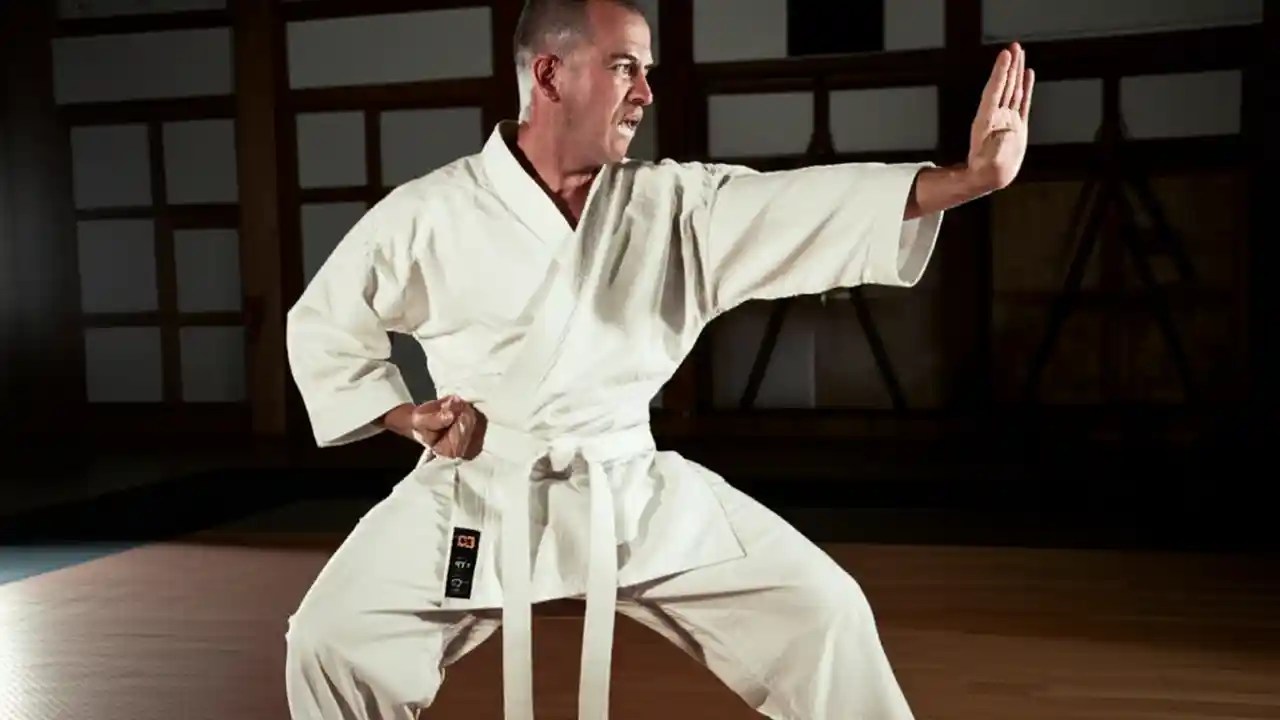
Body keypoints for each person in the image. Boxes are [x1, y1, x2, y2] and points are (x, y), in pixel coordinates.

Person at [282, 0, 1034, 718]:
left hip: (629, 493)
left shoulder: (672, 205)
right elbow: (325, 326)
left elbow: (799, 205)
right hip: (480, 498)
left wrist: (966, 182)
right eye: (624, 67)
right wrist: (411, 417)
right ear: (549, 76)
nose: (645, 91)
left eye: (645, 71)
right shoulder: (432, 213)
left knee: (821, 610)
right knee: (330, 642)